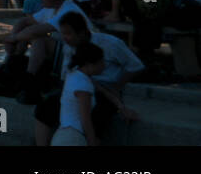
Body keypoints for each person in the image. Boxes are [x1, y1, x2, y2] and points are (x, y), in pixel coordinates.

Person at [34, 12, 143, 146]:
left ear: (82, 33)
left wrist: (117, 86)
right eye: (63, 34)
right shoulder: (69, 48)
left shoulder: (110, 43)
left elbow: (135, 65)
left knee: (97, 115)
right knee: (45, 107)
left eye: (68, 34)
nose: (64, 38)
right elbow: (70, 76)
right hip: (81, 87)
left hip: (106, 90)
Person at [0, 0, 87, 104]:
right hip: (62, 52)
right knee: (25, 35)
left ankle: (29, 81)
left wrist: (12, 38)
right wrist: (13, 39)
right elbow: (24, 21)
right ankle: (11, 65)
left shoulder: (67, 10)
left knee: (39, 39)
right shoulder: (51, 8)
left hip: (77, 54)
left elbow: (37, 30)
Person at [50, 43, 106, 146]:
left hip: (62, 135)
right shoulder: (83, 85)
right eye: (101, 62)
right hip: (73, 138)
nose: (104, 65)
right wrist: (92, 141)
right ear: (90, 63)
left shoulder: (74, 75)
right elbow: (85, 119)